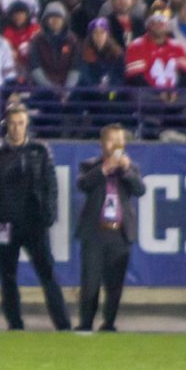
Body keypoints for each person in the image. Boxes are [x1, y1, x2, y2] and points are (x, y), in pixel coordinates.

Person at [0, 104, 71, 331]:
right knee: (7, 277)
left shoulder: (40, 151)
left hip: (35, 222)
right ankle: (15, 324)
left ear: (26, 124)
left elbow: (51, 186)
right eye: (12, 123)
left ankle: (63, 325)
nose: (17, 128)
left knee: (47, 274)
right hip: (5, 223)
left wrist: (48, 216)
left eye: (20, 123)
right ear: (6, 126)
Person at [74, 125, 146, 332]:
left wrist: (125, 169)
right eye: (111, 140)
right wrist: (104, 169)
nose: (116, 144)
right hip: (95, 232)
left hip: (119, 233)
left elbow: (140, 189)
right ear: (102, 143)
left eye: (120, 140)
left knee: (115, 284)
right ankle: (85, 322)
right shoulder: (90, 166)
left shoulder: (131, 168)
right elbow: (83, 184)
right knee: (90, 283)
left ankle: (109, 322)